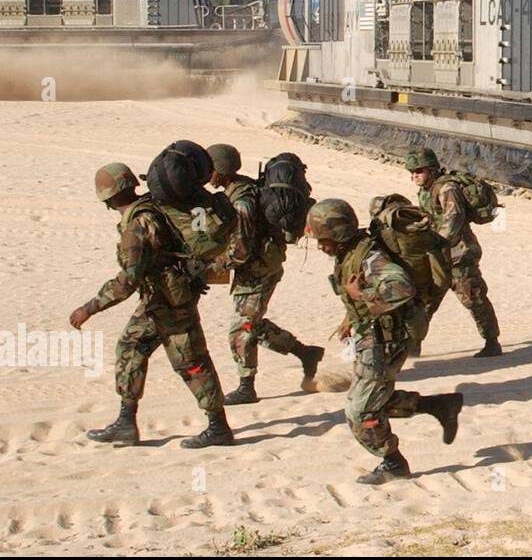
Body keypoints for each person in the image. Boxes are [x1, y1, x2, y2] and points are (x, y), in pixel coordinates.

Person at [70, 163, 233, 448]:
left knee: (191, 361)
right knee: (131, 347)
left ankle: (218, 428)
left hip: (170, 302)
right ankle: (125, 422)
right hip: (161, 298)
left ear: (107, 198)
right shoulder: (151, 206)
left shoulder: (137, 225)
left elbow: (128, 279)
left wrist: (90, 307)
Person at [305, 199, 463, 485]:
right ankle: (439, 406)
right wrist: (350, 317)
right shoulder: (351, 252)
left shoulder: (370, 255)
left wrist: (360, 296)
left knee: (359, 411)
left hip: (386, 339)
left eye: (323, 240)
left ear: (338, 234)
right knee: (370, 400)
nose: (320, 246)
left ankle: (394, 462)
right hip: (372, 336)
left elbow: (401, 287)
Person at [206, 144, 324, 405]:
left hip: (259, 268)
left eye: (210, 170)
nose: (206, 175)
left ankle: (246, 386)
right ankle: (305, 353)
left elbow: (242, 249)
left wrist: (214, 267)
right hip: (259, 266)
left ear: (221, 171)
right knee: (253, 323)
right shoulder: (238, 189)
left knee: (242, 327)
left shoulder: (242, 200)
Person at [405, 148, 502, 358]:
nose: (414, 176)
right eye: (411, 172)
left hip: (459, 255)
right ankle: (413, 345)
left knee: (474, 300)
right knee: (425, 302)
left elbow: (454, 218)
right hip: (438, 257)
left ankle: (491, 341)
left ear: (431, 169)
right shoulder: (426, 190)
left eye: (418, 171)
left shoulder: (446, 188)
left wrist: (438, 243)